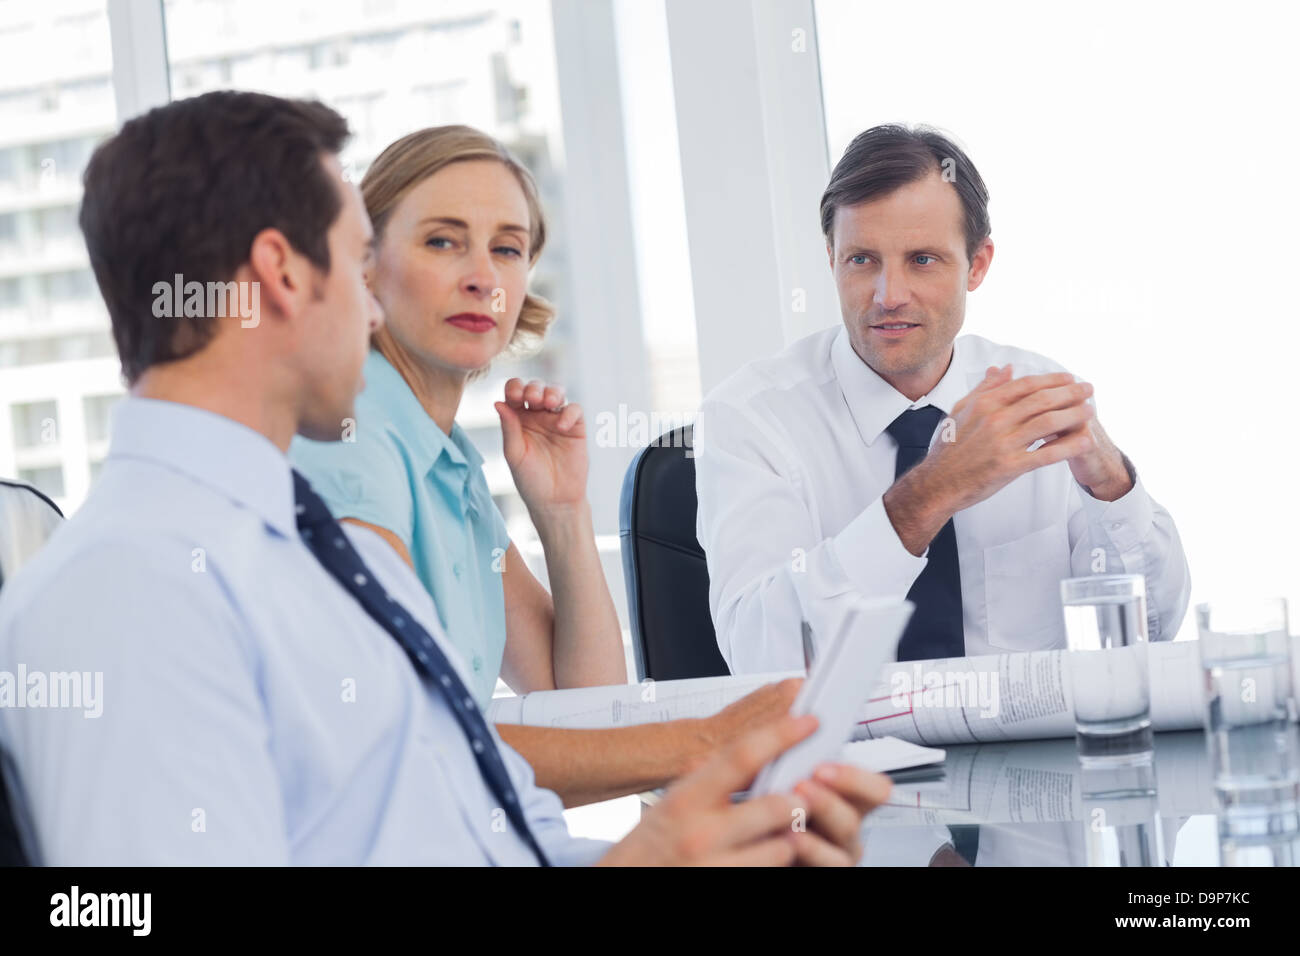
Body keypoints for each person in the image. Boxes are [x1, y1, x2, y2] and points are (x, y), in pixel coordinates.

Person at [0, 90, 890, 865]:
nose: (374, 303)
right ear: (282, 275)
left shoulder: (292, 542)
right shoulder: (137, 585)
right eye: (359, 261)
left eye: (508, 250)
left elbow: (462, 815)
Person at [289, 125, 794, 807]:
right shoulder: (352, 441)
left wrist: (561, 514)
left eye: (507, 248)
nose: (482, 278)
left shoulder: (446, 464)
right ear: (365, 265)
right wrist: (706, 743)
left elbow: (586, 707)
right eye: (442, 241)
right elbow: (409, 743)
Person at [695, 124, 1191, 674]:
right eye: (862, 260)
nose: (889, 296)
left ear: (977, 265)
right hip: (844, 753)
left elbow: (1153, 628)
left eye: (923, 259)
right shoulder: (750, 420)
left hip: (1031, 749)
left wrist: (1111, 486)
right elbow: (765, 656)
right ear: (831, 257)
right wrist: (932, 492)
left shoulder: (1033, 394)